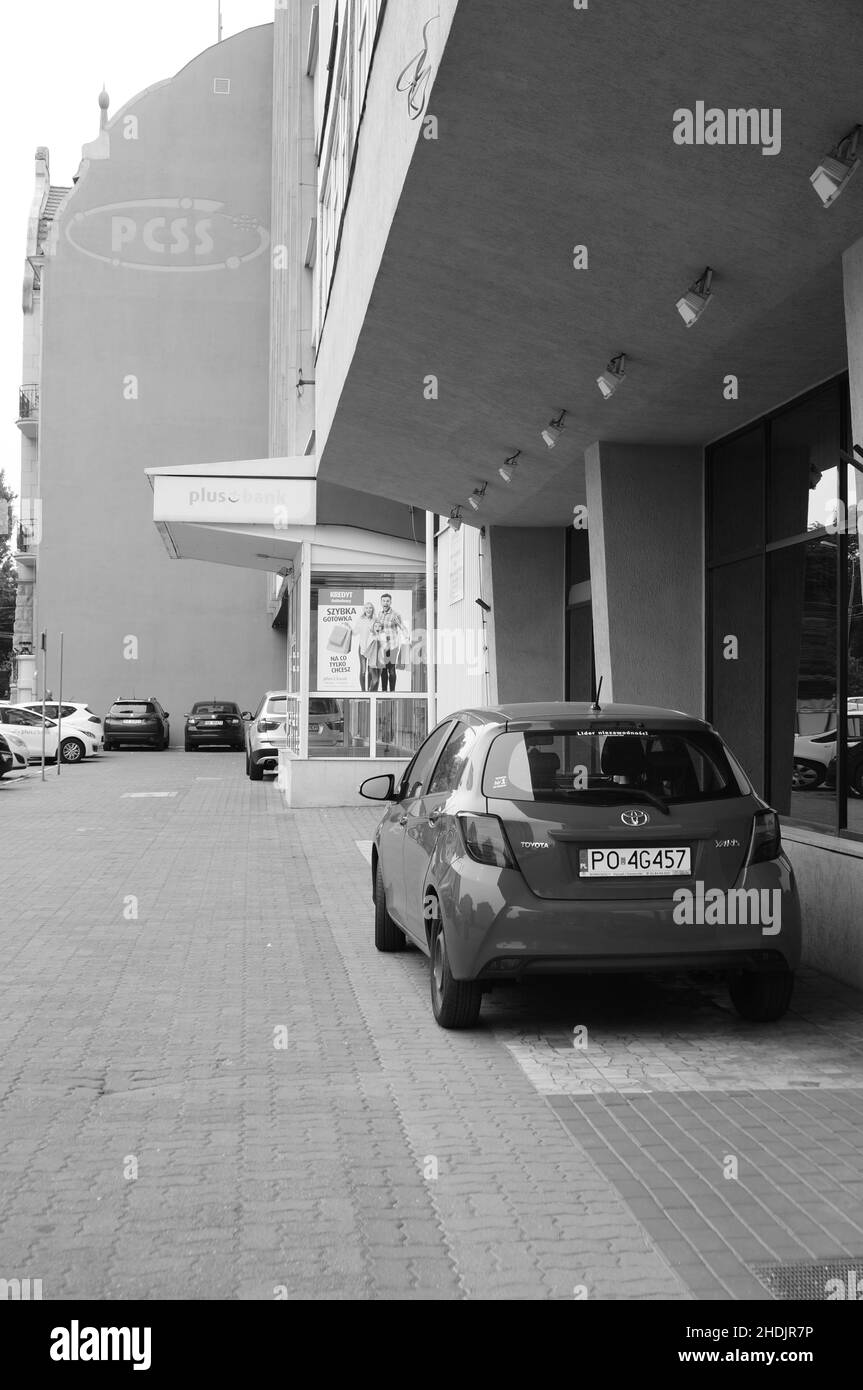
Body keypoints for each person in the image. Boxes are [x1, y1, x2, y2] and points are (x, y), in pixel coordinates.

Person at [373, 593, 407, 691]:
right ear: (381, 602)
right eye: (383, 601)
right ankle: (384, 691)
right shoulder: (379, 614)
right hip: (382, 646)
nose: (385, 603)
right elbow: (377, 628)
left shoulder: (395, 615)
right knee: (383, 669)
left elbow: (402, 627)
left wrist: (407, 637)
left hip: (392, 646)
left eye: (387, 601)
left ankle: (392, 691)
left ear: (390, 602)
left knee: (391, 669)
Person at [352, 602, 380, 691]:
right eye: (367, 608)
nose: (368, 609)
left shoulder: (375, 619)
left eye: (370, 608)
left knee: (371, 671)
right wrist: (348, 628)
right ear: (364, 609)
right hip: (362, 647)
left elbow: (379, 632)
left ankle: (370, 691)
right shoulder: (360, 620)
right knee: (363, 671)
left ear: (372, 609)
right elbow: (355, 632)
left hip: (372, 648)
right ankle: (363, 691)